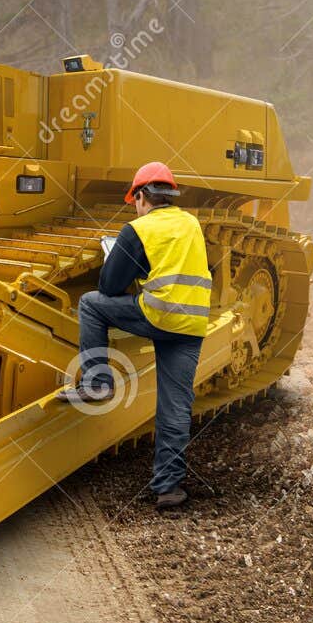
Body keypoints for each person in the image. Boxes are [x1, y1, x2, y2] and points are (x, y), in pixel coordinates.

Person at [59, 161, 210, 511]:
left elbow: (108, 286)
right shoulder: (191, 223)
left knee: (90, 305)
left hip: (159, 315)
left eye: (135, 200)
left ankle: (97, 381)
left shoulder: (137, 229)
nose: (135, 206)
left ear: (142, 196)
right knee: (175, 406)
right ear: (170, 196)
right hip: (192, 325)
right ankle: (169, 489)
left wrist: (124, 258)